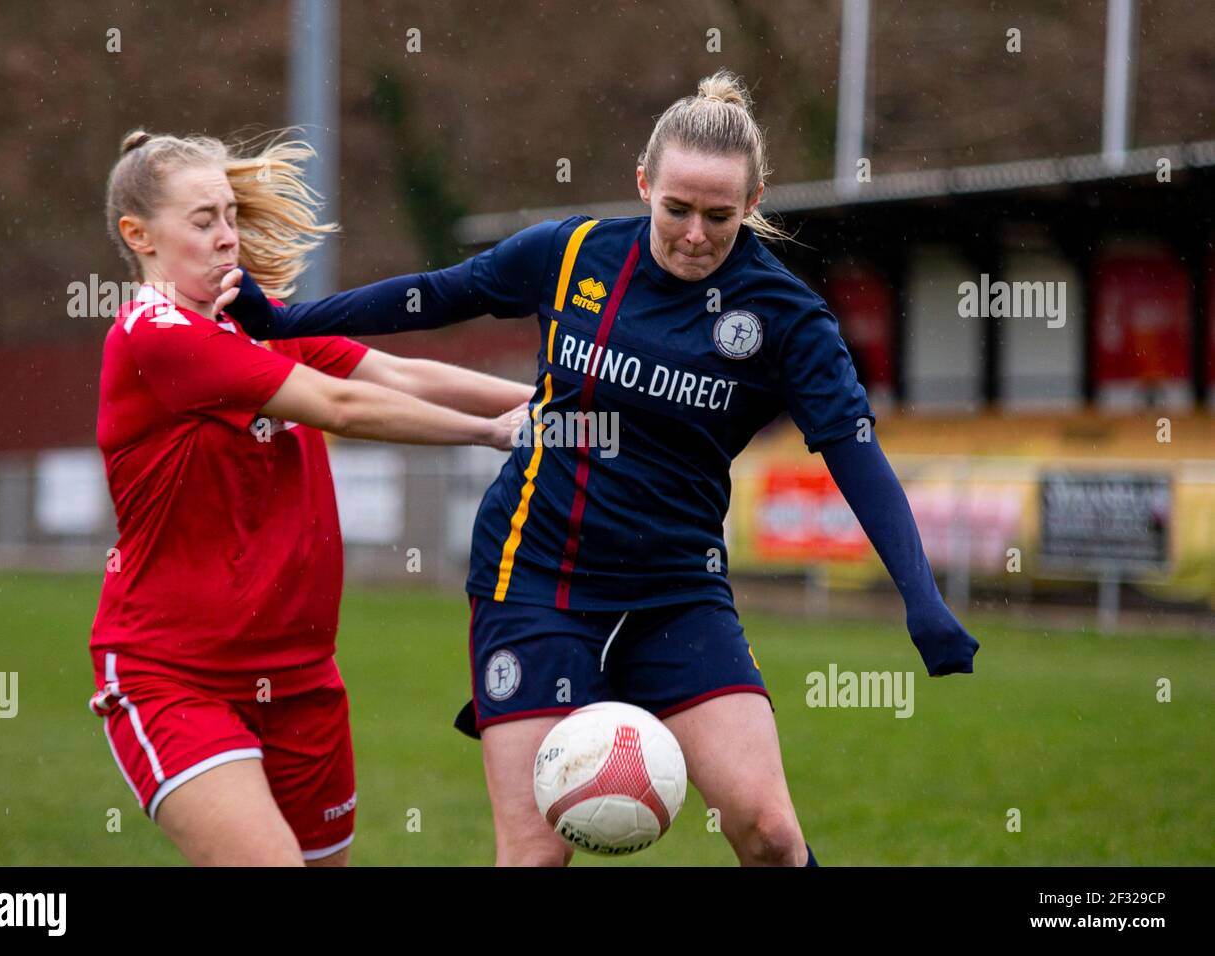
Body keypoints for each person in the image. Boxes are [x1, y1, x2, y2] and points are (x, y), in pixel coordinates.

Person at [223, 71, 980, 867]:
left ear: (755, 201)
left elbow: (858, 459)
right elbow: (436, 295)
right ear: (644, 183)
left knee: (770, 834)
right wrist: (285, 322)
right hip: (536, 577)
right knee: (535, 855)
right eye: (676, 209)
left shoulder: (788, 319)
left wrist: (920, 598)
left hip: (675, 590)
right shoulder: (573, 253)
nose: (694, 234)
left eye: (719, 216)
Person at [90, 129, 532, 866]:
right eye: (204, 221)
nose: (229, 237)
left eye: (230, 215)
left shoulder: (258, 324)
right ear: (139, 235)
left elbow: (394, 376)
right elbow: (341, 405)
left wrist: (565, 406)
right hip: (174, 677)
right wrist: (492, 433)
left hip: (303, 680)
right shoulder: (156, 336)